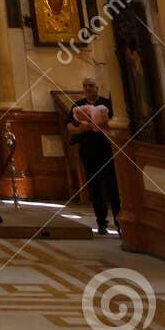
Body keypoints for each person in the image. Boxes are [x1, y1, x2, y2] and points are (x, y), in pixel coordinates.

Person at [68, 76, 120, 235]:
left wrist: (103, 123)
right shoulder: (78, 105)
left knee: (113, 186)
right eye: (85, 86)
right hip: (88, 149)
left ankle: (119, 222)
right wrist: (81, 129)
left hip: (106, 148)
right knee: (95, 186)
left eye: (91, 85)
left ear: (97, 88)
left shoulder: (108, 103)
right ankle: (101, 222)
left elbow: (115, 122)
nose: (88, 88)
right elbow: (70, 125)